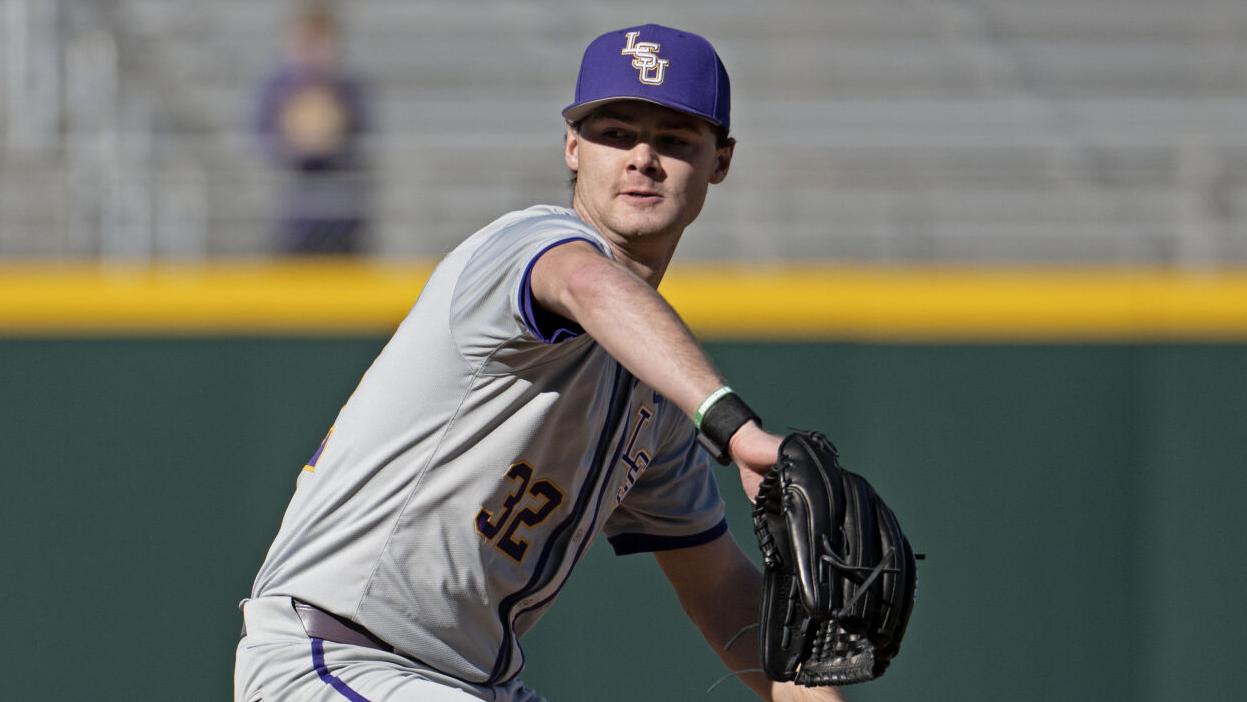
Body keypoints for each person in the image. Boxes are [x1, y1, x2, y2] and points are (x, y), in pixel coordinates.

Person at [235, 24, 846, 702]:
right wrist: (733, 425)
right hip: (340, 656)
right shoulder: (526, 244)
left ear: (720, 161)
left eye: (674, 140)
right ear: (572, 149)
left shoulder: (656, 400)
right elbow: (588, 285)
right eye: (615, 133)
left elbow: (718, 588)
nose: (642, 157)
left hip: (473, 682)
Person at [253, 1, 370, 255]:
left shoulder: (348, 89)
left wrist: (333, 132)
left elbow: (362, 143)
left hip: (342, 218)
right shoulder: (276, 89)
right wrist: (294, 138)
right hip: (292, 219)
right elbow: (262, 140)